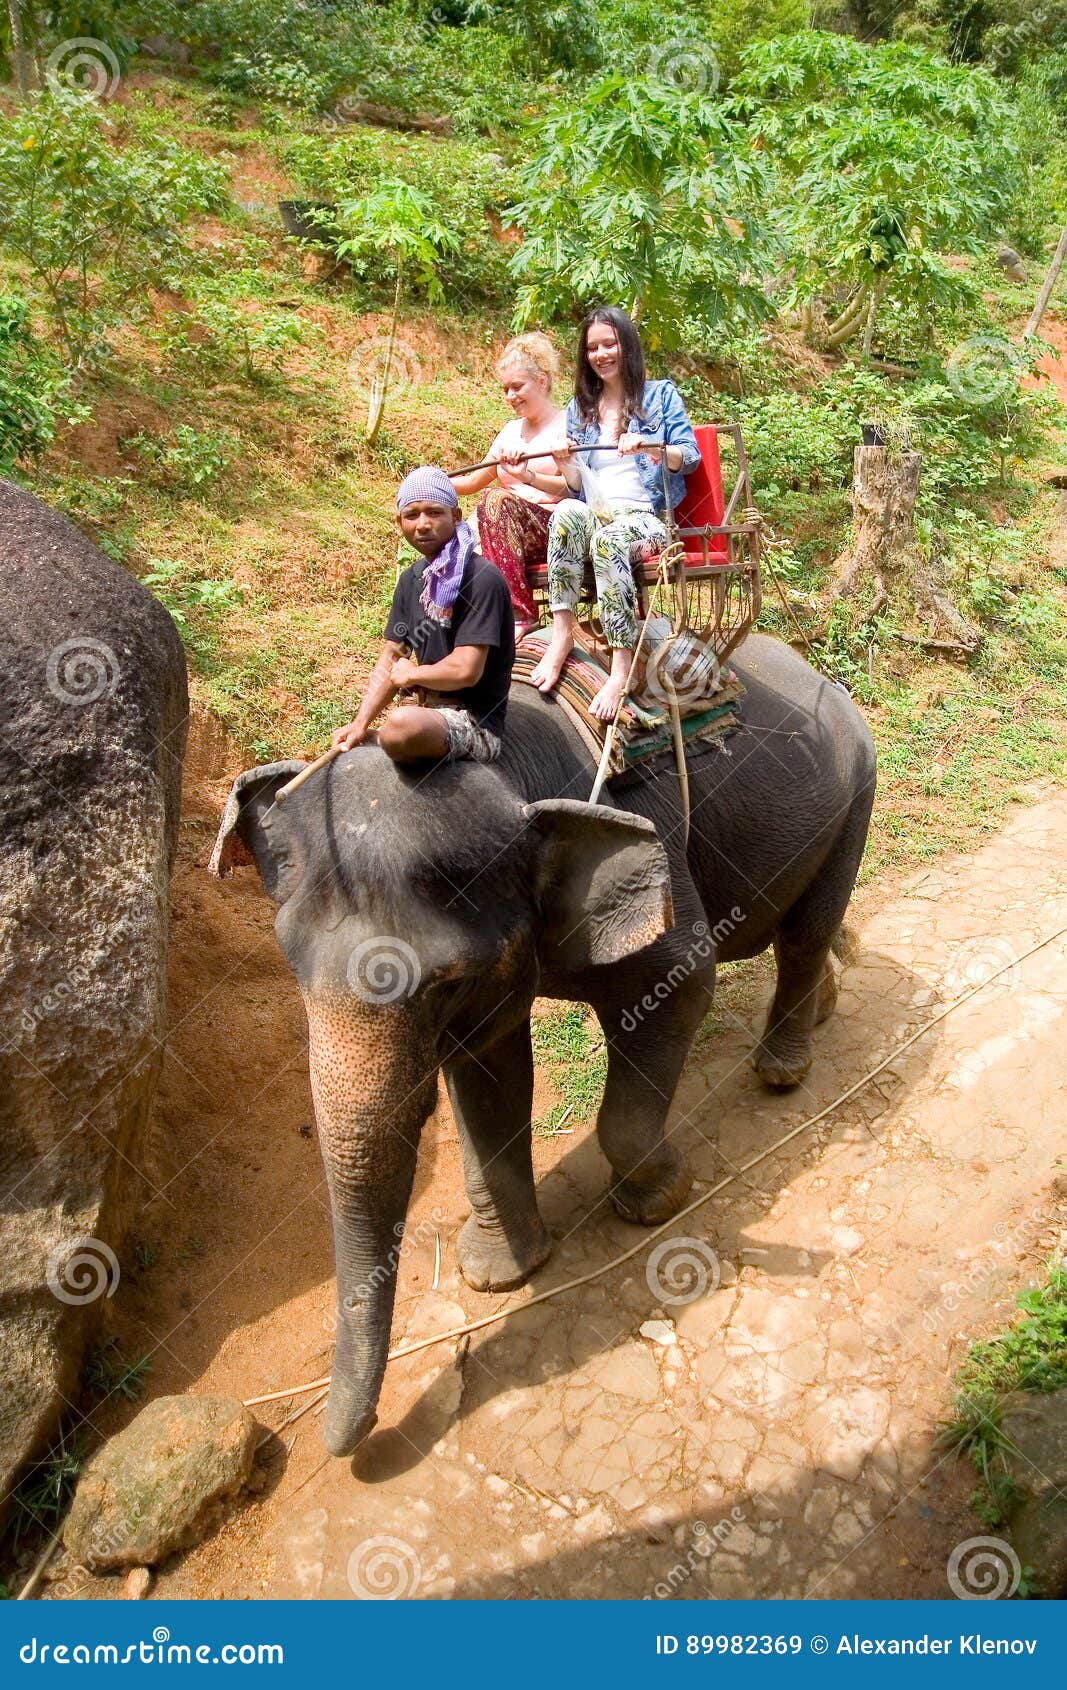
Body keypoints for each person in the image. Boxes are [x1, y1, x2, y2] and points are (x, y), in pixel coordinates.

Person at [529, 306, 701, 721]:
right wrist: (564, 461)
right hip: (599, 511)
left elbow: (689, 457)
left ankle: (621, 666)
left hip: (646, 518)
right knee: (566, 512)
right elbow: (576, 485)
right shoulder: (581, 408)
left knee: (608, 540)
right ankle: (562, 635)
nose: (601, 354)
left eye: (610, 344)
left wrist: (651, 447)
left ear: (627, 345)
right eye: (593, 348)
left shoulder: (660, 396)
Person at [331, 466, 514, 765]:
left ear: (456, 516)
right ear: (399, 522)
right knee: (399, 724)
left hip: (474, 723)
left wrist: (412, 674)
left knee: (401, 724)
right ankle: (385, 735)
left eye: (434, 513)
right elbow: (392, 655)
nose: (423, 524)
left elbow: (466, 669)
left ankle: (388, 738)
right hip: (427, 712)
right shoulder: (411, 579)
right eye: (412, 515)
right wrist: (360, 722)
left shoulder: (481, 577)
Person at [451, 332, 568, 637]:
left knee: (495, 500)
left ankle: (519, 613)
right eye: (505, 389)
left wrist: (528, 476)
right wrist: (434, 480)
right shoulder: (510, 431)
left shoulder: (567, 424)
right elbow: (474, 480)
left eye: (517, 387)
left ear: (542, 381)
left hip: (552, 528)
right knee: (455, 533)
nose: (510, 396)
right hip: (504, 533)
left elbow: (574, 487)